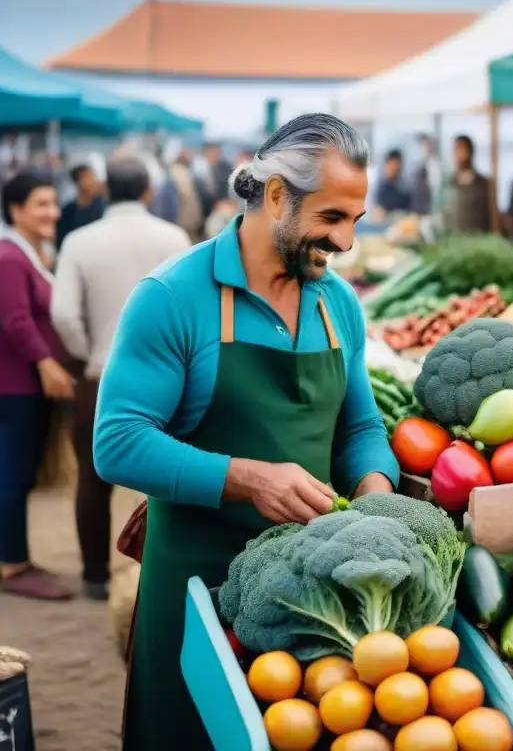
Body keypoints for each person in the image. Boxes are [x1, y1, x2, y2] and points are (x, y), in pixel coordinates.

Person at [94, 113, 399, 749]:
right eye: (332, 218)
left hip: (313, 604)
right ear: (279, 195)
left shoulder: (335, 302)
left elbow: (360, 425)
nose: (345, 242)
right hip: (197, 593)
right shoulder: (173, 297)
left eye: (355, 220)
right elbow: (117, 441)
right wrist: (248, 478)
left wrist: (375, 493)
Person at [50, 156, 191, 602]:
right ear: (148, 190)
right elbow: (191, 309)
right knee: (170, 478)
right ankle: (163, 574)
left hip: (98, 374)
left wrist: (88, 350)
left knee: (92, 480)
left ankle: (95, 577)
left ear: (107, 189)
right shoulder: (173, 237)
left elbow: (63, 314)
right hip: (173, 379)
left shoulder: (78, 240)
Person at [0, 172, 76, 601]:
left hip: (21, 384)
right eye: (41, 204)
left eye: (52, 202)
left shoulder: (30, 253)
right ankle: (13, 565)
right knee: (13, 475)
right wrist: (45, 362)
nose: (52, 212)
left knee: (16, 473)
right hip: (15, 386)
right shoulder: (11, 256)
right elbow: (14, 320)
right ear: (15, 210)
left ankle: (14, 556)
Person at [443, 135, 491, 233]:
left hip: (477, 236)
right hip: (453, 237)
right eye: (456, 150)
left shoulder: (483, 184)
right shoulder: (448, 183)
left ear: (470, 152)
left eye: (462, 149)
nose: (458, 154)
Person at [56, 164, 105, 252]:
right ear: (78, 182)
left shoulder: (103, 207)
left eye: (94, 177)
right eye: (89, 177)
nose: (94, 181)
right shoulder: (68, 211)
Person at [167, 150, 205, 243]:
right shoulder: (178, 171)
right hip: (185, 218)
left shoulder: (183, 170)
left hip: (188, 218)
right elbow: (186, 193)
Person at [372, 149, 412, 219]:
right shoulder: (379, 185)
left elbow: (407, 209)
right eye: (393, 164)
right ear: (387, 163)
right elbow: (377, 211)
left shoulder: (403, 185)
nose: (395, 168)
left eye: (398, 165)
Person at [410, 133, 443, 215]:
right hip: (416, 206)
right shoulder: (417, 164)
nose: (425, 148)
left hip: (431, 204)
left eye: (427, 145)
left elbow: (436, 186)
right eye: (423, 145)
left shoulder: (435, 164)